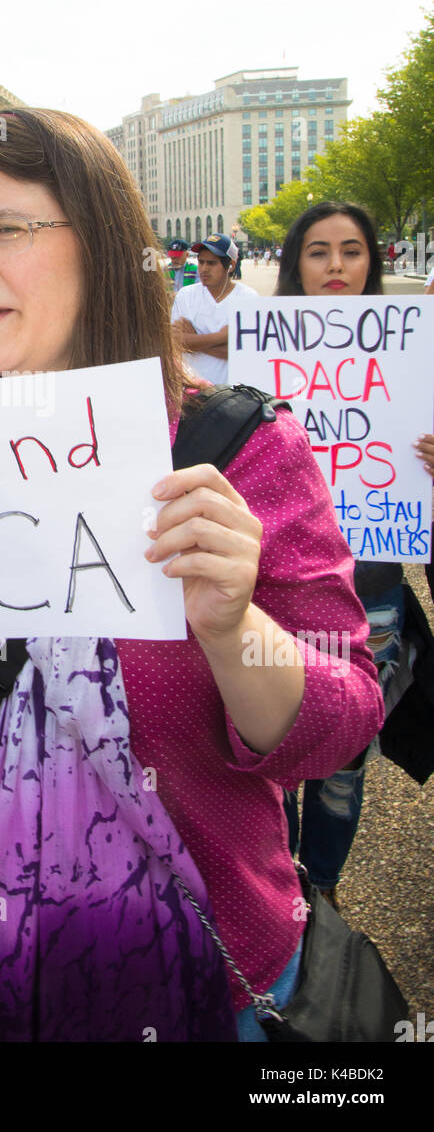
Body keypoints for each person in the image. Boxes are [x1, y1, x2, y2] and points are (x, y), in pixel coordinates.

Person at [0, 110, 382, 1044]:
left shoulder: (239, 449)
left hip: (214, 977)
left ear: (100, 245)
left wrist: (233, 629)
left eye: (5, 230)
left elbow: (339, 725)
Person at [276, 200, 434, 905]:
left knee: (342, 764)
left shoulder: (413, 356)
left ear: (373, 260)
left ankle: (324, 892)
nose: (336, 266)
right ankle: (279, 890)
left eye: (351, 250)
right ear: (295, 262)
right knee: (272, 751)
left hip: (371, 586)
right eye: (318, 251)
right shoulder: (259, 357)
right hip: (273, 588)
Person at [171, 233, 256, 384]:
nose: (203, 269)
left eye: (211, 263)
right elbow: (176, 342)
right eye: (201, 262)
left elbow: (246, 353)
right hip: (192, 391)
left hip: (234, 394)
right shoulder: (186, 295)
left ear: (231, 265)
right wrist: (222, 337)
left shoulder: (248, 299)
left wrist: (194, 339)